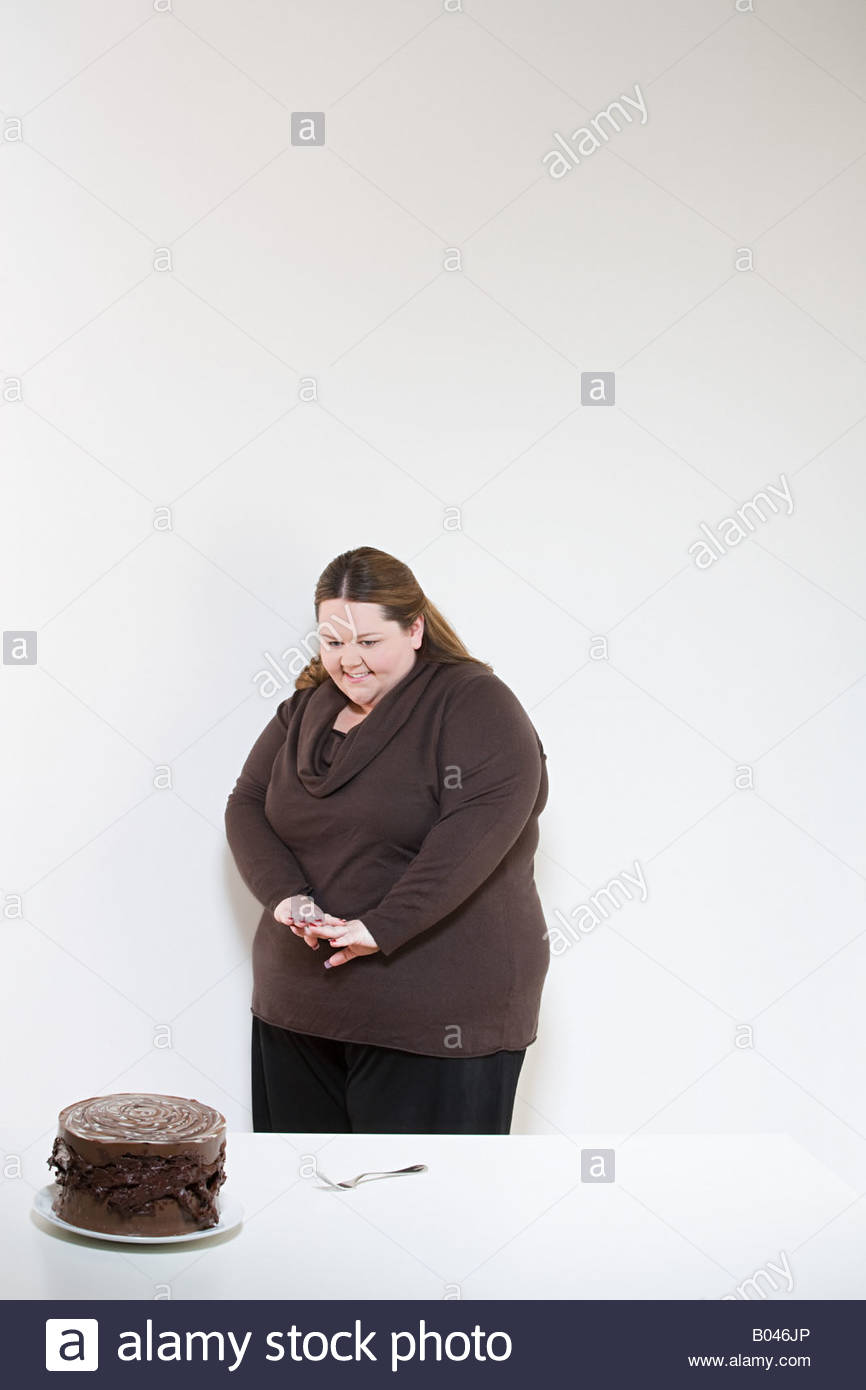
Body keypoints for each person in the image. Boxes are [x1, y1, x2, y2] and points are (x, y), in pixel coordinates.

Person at [224, 546, 550, 1134]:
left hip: (435, 1017)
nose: (348, 660)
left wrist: (382, 926)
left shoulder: (474, 703)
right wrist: (288, 900)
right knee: (308, 1213)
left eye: (369, 642)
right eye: (333, 641)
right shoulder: (303, 709)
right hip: (299, 1006)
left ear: (415, 628)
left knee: (424, 1215)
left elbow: (480, 825)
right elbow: (246, 806)